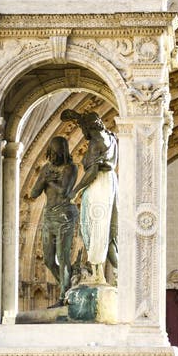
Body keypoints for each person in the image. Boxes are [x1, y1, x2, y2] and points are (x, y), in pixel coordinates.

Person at [60, 109, 118, 283]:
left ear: (88, 128)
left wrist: (75, 191)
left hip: (98, 185)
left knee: (93, 227)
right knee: (108, 232)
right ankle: (118, 272)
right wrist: (77, 117)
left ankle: (97, 274)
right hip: (109, 184)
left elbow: (92, 171)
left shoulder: (96, 142)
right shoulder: (111, 138)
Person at [30, 136, 78, 306]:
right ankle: (71, 285)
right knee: (49, 260)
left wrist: (50, 181)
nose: (57, 156)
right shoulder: (46, 169)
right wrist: (43, 179)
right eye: (55, 153)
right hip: (49, 215)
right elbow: (33, 194)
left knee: (63, 256)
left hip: (65, 214)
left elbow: (65, 191)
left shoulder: (70, 168)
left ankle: (64, 295)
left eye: (60, 152)